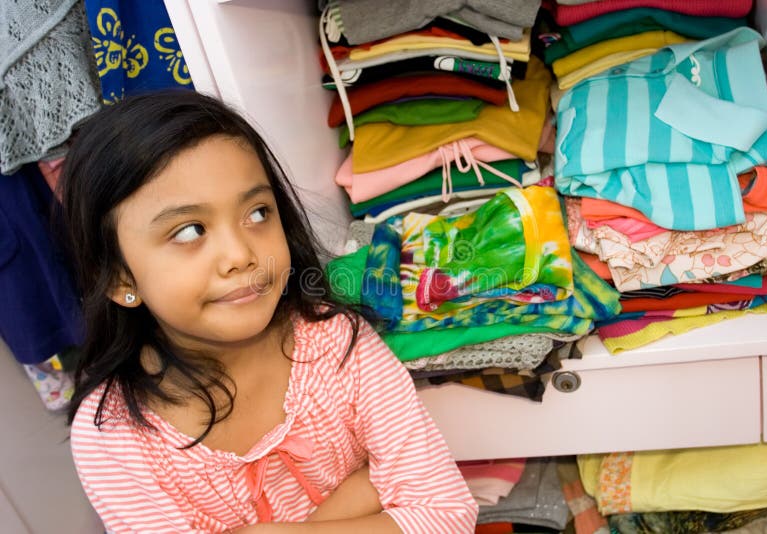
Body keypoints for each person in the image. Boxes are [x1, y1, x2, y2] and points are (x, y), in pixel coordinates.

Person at [61, 91, 478, 533]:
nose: (240, 254)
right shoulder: (115, 436)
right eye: (189, 231)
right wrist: (364, 498)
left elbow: (446, 513)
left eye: (258, 213)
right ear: (120, 280)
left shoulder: (337, 341)